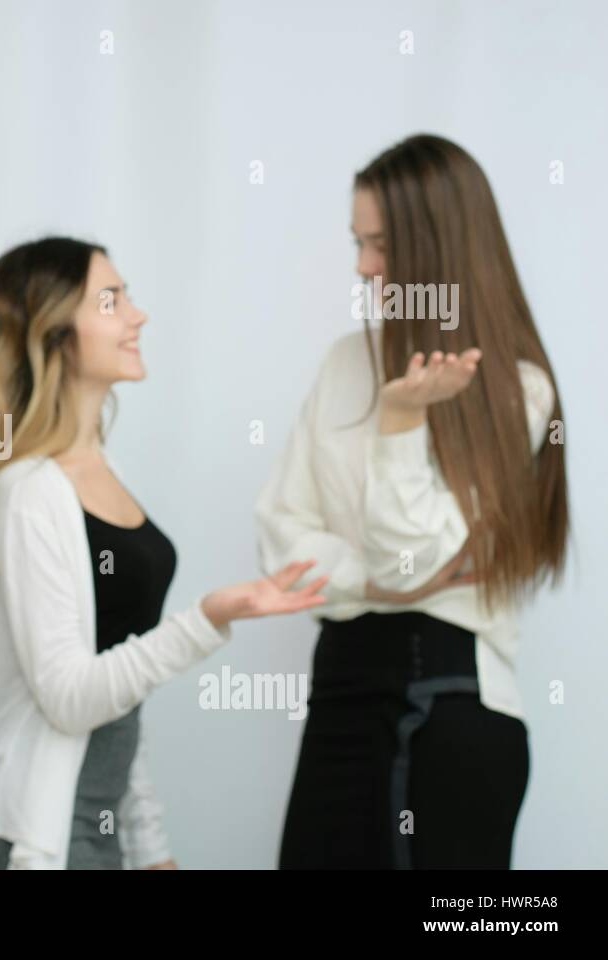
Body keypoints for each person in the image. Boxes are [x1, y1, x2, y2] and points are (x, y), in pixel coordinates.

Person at [0, 236, 329, 869]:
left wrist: (150, 849)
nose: (137, 315)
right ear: (55, 332)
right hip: (32, 837)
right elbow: (71, 698)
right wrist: (208, 620)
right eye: (111, 299)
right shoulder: (27, 493)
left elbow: (118, 693)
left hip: (99, 828)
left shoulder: (101, 468)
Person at [256, 134, 569, 869]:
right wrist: (381, 577)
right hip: (340, 694)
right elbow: (280, 538)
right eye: (358, 243)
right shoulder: (345, 362)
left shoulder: (519, 388)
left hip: (454, 704)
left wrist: (399, 427)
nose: (363, 266)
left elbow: (410, 560)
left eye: (383, 245)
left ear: (441, 247)